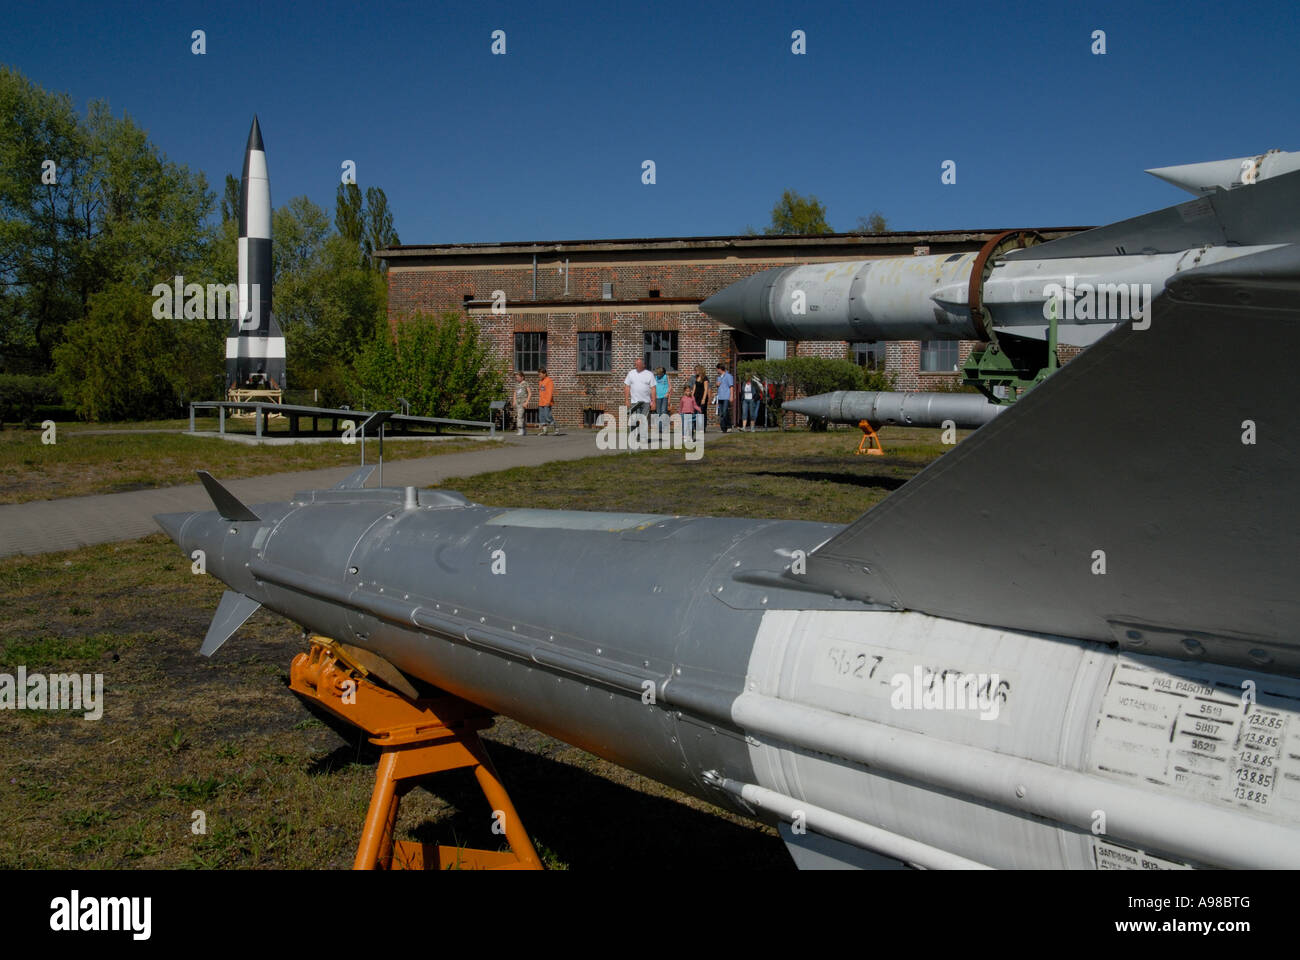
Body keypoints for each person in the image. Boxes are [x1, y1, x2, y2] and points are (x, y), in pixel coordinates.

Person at [623, 358, 657, 445]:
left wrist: (653, 402)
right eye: (635, 364)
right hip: (634, 402)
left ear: (643, 365)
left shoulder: (649, 374)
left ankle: (643, 438)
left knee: (643, 420)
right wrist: (626, 399)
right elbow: (627, 387)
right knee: (634, 419)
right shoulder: (631, 373)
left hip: (646, 402)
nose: (636, 366)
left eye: (638, 364)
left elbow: (653, 388)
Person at [715, 363, 734, 434]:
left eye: (717, 369)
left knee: (725, 412)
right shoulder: (719, 377)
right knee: (721, 413)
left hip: (726, 396)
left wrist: (731, 396)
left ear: (720, 369)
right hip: (720, 397)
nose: (717, 370)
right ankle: (723, 428)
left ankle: (729, 426)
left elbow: (731, 386)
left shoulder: (728, 376)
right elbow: (718, 387)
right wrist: (717, 385)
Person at [537, 366, 556, 435]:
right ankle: (545, 431)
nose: (539, 375)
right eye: (538, 374)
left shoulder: (549, 381)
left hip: (547, 402)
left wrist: (548, 402)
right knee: (541, 417)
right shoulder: (540, 382)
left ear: (544, 373)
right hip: (541, 402)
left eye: (540, 374)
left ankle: (556, 427)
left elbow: (550, 392)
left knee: (547, 416)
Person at [512, 371, 532, 436]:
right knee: (521, 416)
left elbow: (529, 393)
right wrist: (514, 400)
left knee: (519, 416)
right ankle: (524, 430)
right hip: (518, 402)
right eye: (516, 377)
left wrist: (526, 402)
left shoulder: (525, 383)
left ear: (522, 377)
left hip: (523, 402)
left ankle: (520, 429)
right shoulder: (517, 384)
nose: (517, 378)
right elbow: (515, 393)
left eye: (518, 377)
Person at [692, 365, 710, 434]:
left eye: (696, 370)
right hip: (696, 397)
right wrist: (691, 397)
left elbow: (706, 389)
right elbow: (694, 388)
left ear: (700, 370)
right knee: (695, 412)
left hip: (702, 397)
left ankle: (702, 428)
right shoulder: (696, 378)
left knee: (702, 412)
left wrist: (704, 399)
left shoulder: (705, 378)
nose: (695, 371)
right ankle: (696, 427)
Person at [654, 366, 670, 439]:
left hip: (664, 396)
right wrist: (654, 395)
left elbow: (670, 386)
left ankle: (664, 428)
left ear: (662, 373)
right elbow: (653, 387)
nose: (659, 375)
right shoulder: (655, 378)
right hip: (657, 397)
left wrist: (667, 394)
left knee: (664, 412)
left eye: (660, 374)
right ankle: (659, 428)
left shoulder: (666, 377)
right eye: (658, 374)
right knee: (658, 412)